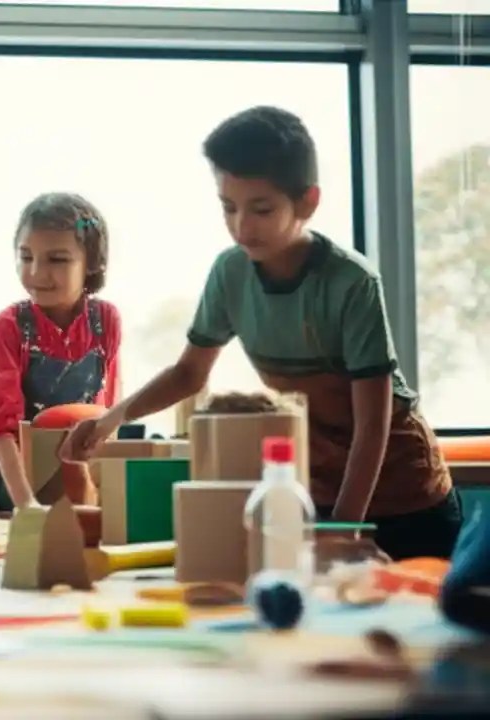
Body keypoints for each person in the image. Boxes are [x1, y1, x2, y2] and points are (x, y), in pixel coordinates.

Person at [61, 106, 462, 560]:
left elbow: (372, 425)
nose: (241, 227)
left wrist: (344, 530)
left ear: (308, 202)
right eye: (228, 207)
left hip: (406, 496)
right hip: (325, 488)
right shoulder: (230, 273)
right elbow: (189, 372)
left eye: (261, 209)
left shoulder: (352, 282)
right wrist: (110, 421)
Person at [0, 193, 121, 517]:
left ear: (93, 263)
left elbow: (107, 411)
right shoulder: (8, 327)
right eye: (26, 257)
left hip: (53, 456)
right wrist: (26, 506)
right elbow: (0, 429)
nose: (36, 273)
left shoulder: (106, 321)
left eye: (57, 260)